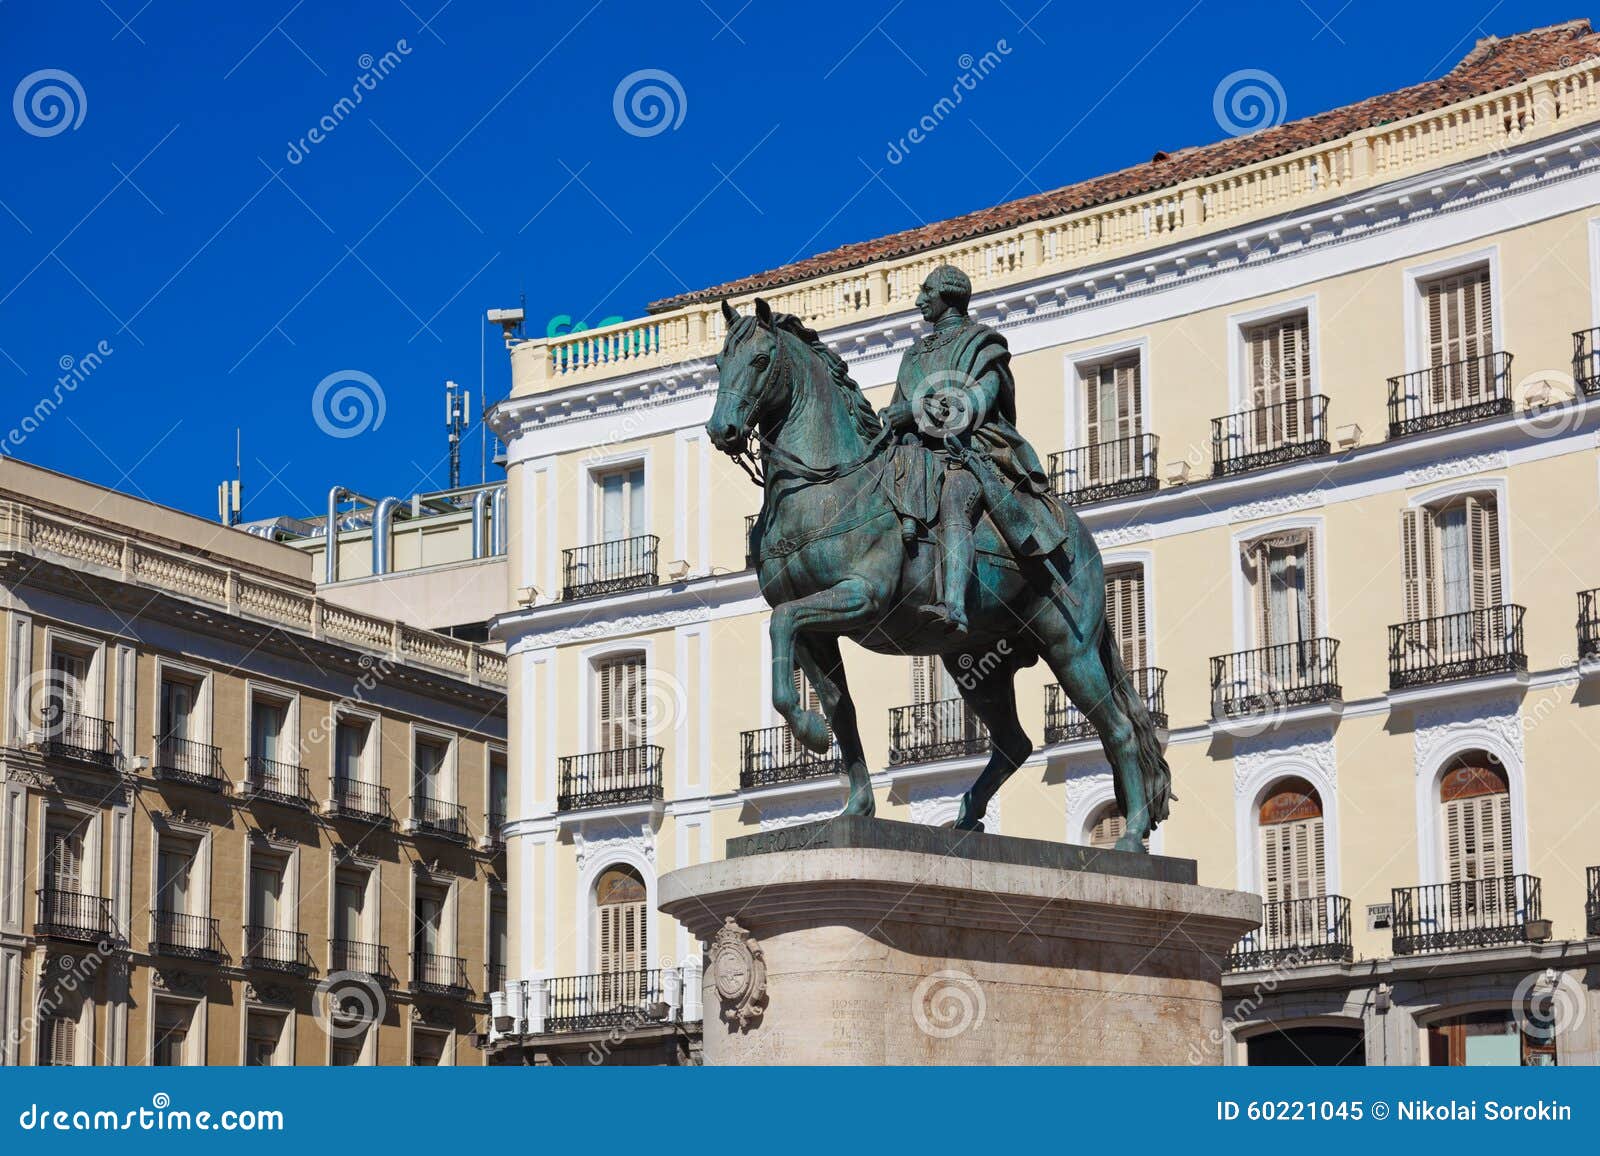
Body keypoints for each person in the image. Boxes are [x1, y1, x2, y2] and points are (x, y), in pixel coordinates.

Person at [880, 264, 1066, 636]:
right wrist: (890, 419)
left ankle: (954, 606)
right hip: (915, 457)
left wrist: (914, 412)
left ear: (947, 295)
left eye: (926, 293)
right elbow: (899, 410)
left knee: (954, 497)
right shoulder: (913, 356)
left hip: (969, 456)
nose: (918, 301)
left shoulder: (983, 346)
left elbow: (972, 406)